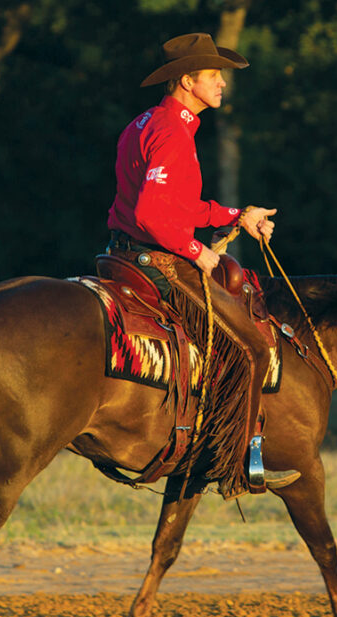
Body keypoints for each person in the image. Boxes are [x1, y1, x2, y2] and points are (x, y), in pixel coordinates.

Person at [106, 32, 277, 497]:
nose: (222, 84)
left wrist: (237, 216)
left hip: (123, 254)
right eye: (213, 75)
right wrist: (198, 251)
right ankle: (236, 460)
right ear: (187, 80)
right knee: (254, 350)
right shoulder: (172, 132)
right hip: (157, 261)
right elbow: (151, 214)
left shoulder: (145, 123)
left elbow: (178, 205)